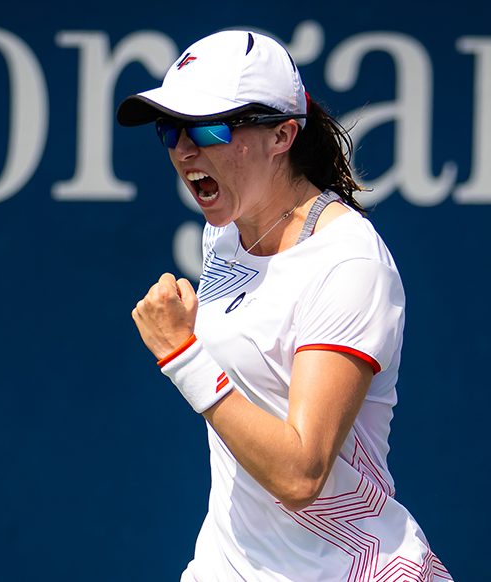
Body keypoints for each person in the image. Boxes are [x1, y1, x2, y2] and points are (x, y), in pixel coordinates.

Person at [119, 30, 452, 582]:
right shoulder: (224, 234)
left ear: (283, 135)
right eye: (170, 130)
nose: (184, 149)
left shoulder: (348, 264)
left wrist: (183, 355)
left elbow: (301, 475)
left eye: (208, 127)